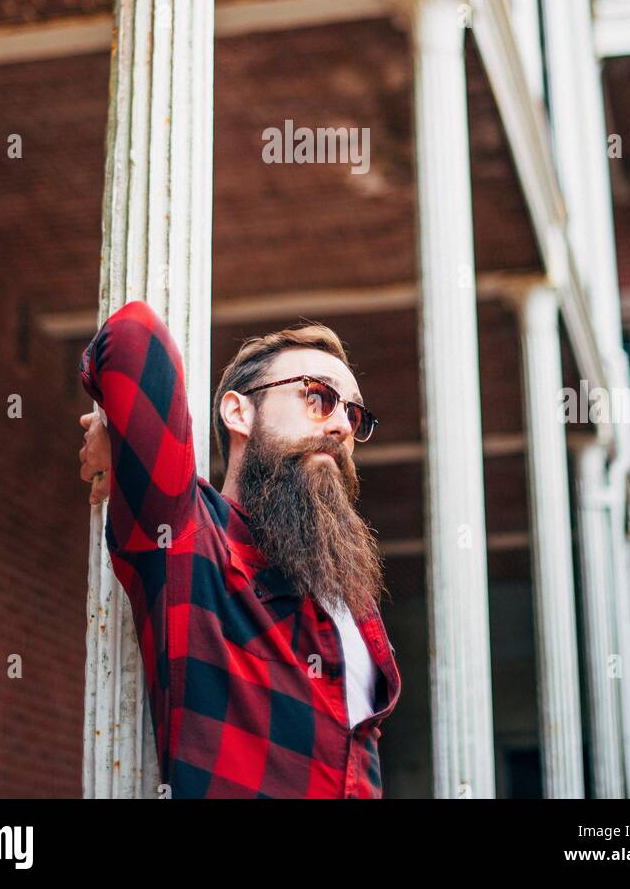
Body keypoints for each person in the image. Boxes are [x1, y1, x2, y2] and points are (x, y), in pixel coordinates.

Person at [78, 299, 401, 799]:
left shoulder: (349, 593)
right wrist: (116, 421)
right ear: (238, 412)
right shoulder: (189, 533)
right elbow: (134, 335)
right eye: (317, 396)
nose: (341, 425)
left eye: (353, 413)